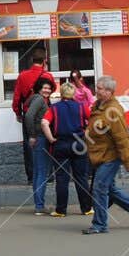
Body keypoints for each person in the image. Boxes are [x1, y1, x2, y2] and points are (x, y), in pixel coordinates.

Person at [83, 76, 129, 234]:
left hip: (110, 157)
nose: (97, 90)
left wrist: (128, 162)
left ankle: (100, 224)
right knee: (110, 190)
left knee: (99, 187)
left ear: (109, 91)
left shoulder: (113, 110)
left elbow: (122, 137)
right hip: (99, 156)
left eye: (100, 88)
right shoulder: (98, 106)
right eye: (97, 87)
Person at [48, 81, 92, 217]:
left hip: (60, 145)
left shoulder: (54, 108)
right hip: (79, 144)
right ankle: (87, 209)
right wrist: (86, 135)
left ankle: (61, 210)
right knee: (81, 177)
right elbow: (92, 121)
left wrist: (51, 139)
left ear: (61, 93)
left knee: (62, 178)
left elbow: (44, 123)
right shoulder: (81, 106)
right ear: (73, 93)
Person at [11, 47, 53, 185]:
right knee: (47, 142)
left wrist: (18, 112)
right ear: (44, 60)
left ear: (31, 60)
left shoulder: (23, 75)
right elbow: (51, 91)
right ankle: (48, 175)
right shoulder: (47, 76)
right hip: (45, 114)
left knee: (29, 145)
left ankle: (31, 177)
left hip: (28, 113)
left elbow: (17, 97)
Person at [23, 75, 57, 213]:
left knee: (38, 172)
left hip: (39, 138)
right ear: (39, 89)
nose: (47, 90)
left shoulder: (40, 99)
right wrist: (32, 135)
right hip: (41, 138)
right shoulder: (39, 99)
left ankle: (38, 205)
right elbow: (29, 116)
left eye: (49, 88)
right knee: (41, 172)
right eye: (45, 88)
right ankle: (39, 206)